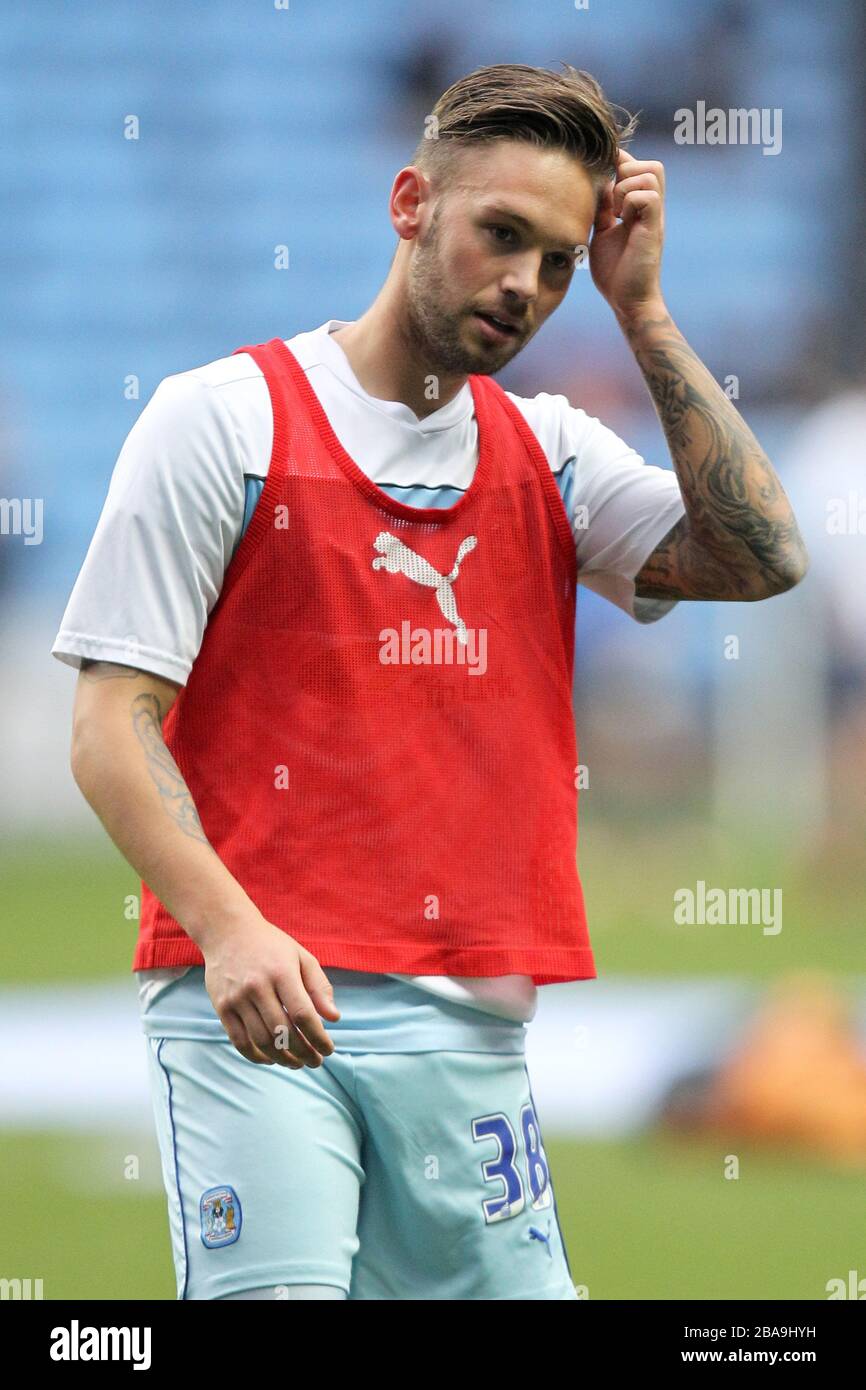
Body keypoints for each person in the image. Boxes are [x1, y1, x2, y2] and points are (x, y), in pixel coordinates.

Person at [52, 61, 808, 1301]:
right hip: (260, 1018)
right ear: (411, 203)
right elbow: (106, 725)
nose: (525, 284)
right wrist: (229, 927)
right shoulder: (219, 423)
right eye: (499, 234)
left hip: (471, 1031)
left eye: (559, 261)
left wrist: (644, 317)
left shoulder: (548, 452)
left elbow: (760, 556)